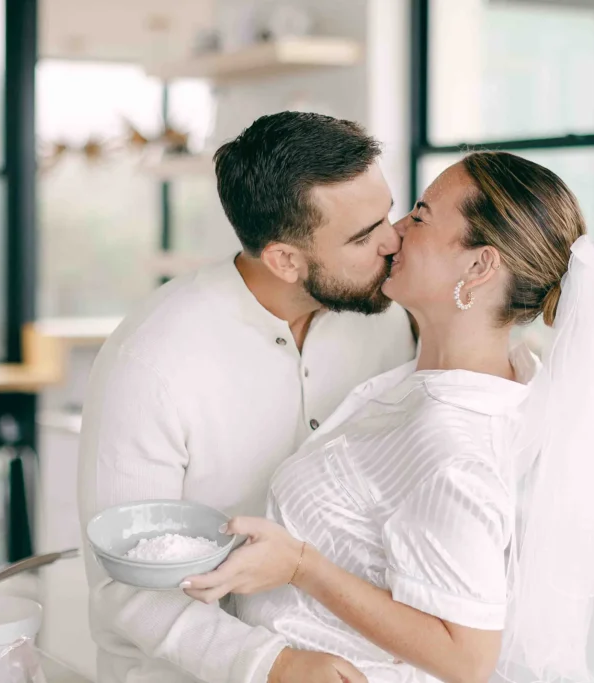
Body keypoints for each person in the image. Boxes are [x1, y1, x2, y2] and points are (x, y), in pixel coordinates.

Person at [181, 152, 594, 683]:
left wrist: (300, 565)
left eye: (422, 216)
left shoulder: (457, 444)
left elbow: (466, 659)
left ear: (479, 266)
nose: (396, 232)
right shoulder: (500, 379)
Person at [77, 112, 417, 683]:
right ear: (284, 259)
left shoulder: (388, 318)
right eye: (362, 235)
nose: (392, 241)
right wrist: (271, 665)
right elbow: (123, 582)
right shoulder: (152, 360)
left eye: (387, 213)